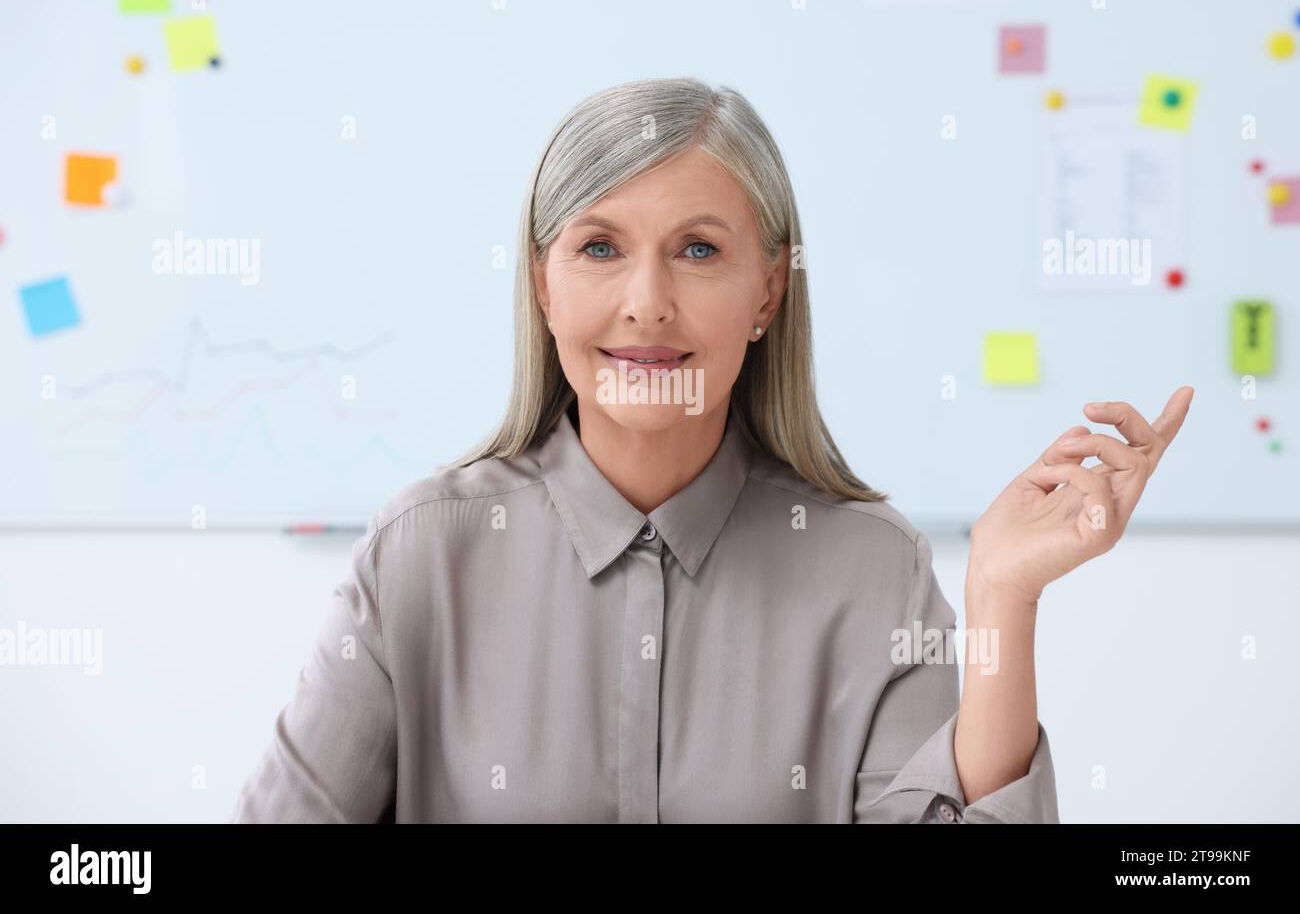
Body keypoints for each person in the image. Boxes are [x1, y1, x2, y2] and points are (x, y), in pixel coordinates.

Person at [231, 76, 1192, 823]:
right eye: (600, 247)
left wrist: (1001, 596)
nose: (647, 300)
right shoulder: (419, 555)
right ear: (543, 287)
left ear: (768, 292)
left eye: (698, 250)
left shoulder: (872, 568)